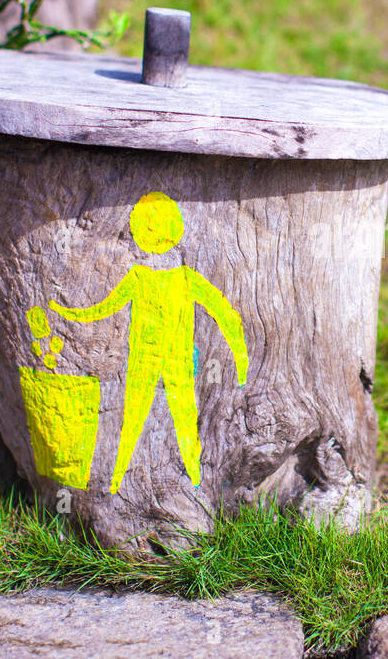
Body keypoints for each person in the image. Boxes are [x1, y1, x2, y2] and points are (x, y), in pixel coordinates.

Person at [49, 192, 247, 490]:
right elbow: (224, 313)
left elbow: (103, 308)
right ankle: (123, 479)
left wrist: (240, 359)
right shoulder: (165, 278)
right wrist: (68, 313)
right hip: (153, 361)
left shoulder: (163, 278)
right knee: (150, 418)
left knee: (168, 418)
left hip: (167, 360)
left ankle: (186, 479)